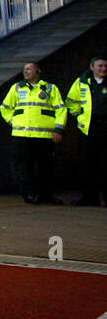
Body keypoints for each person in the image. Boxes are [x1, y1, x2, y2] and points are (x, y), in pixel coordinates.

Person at [0, 61, 65, 205]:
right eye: (24, 69)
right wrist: (13, 122)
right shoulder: (16, 88)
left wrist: (58, 129)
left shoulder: (49, 88)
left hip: (44, 136)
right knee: (25, 167)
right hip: (22, 135)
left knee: (45, 167)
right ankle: (29, 195)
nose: (25, 71)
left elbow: (61, 109)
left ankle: (46, 195)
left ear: (38, 71)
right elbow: (5, 107)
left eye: (29, 69)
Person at [65, 55, 107, 206]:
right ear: (92, 67)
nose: (103, 69)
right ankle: (90, 198)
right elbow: (71, 101)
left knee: (104, 164)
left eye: (105, 66)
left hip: (105, 127)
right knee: (87, 164)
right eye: (100, 66)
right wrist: (78, 116)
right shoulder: (81, 82)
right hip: (88, 128)